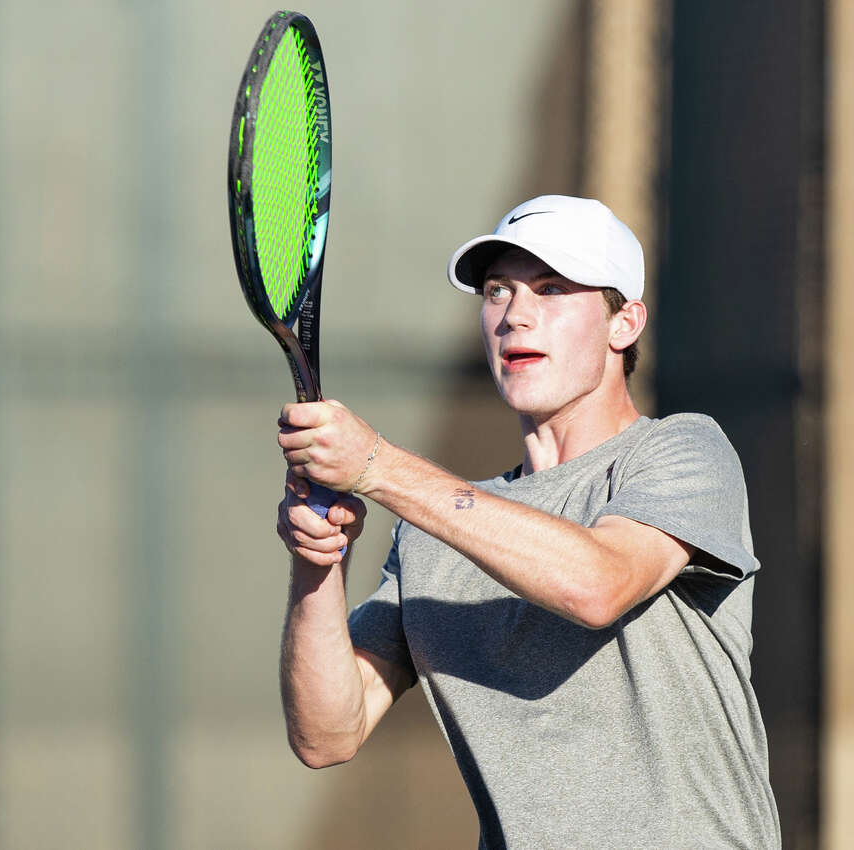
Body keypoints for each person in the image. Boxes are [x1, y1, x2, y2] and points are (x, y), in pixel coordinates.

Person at [274, 195, 781, 848]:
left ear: (623, 321)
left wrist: (375, 465)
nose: (515, 315)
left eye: (551, 288)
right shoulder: (432, 532)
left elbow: (599, 585)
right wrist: (316, 563)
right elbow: (328, 733)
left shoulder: (682, 451)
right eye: (496, 291)